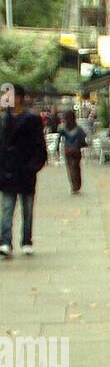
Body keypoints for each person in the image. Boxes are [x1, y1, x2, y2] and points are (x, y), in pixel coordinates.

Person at [0, 84, 48, 258]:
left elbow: (39, 146)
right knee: (6, 209)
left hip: (26, 170)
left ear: (18, 98)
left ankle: (26, 241)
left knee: (27, 209)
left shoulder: (31, 119)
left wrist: (33, 167)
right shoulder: (3, 119)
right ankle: (5, 242)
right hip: (7, 171)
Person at [57, 110, 87, 193]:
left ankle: (73, 186)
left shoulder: (63, 128)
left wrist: (57, 149)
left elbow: (59, 138)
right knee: (76, 167)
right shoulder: (79, 129)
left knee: (70, 168)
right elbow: (83, 139)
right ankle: (77, 185)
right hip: (76, 150)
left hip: (67, 150)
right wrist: (84, 144)